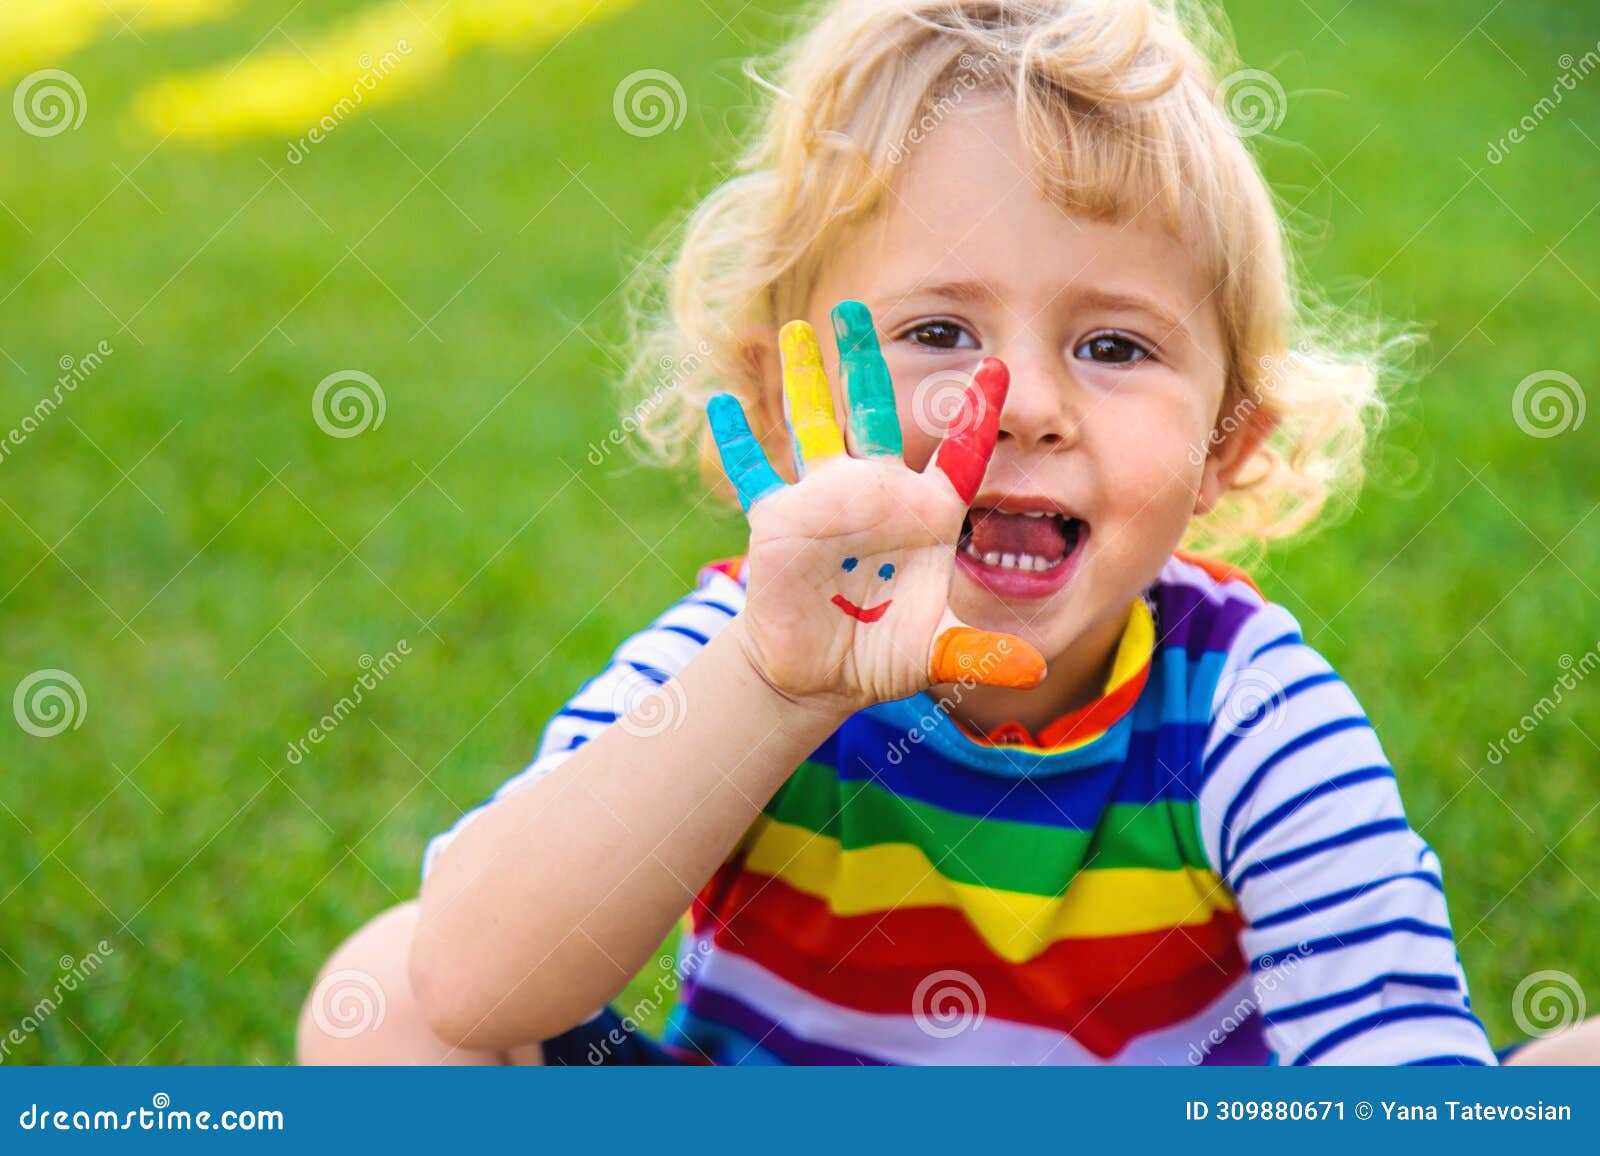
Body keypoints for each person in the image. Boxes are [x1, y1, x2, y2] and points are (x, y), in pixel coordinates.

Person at [299, 0, 1597, 1066]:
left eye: (1112, 344)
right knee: (382, 1001)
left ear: (1225, 447)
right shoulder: (749, 646)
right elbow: (472, 986)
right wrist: (769, 686)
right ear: (782, 406)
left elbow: (1404, 1081)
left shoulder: (1246, 710)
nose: (1023, 401)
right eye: (937, 333)